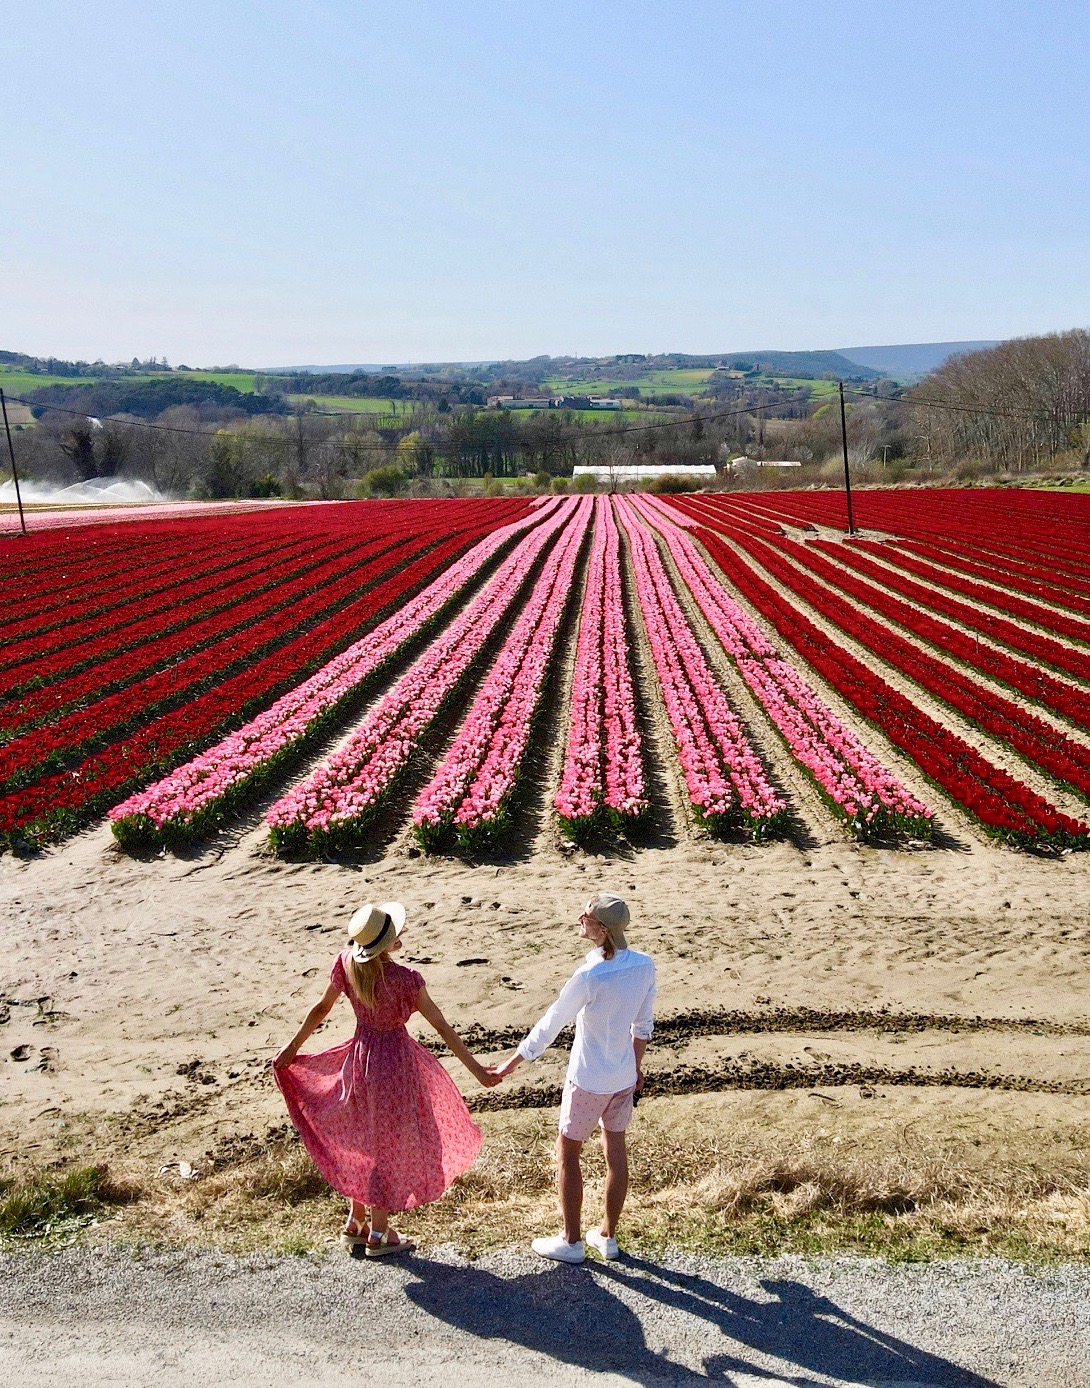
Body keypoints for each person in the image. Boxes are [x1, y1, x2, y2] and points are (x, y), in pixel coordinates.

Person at [273, 900, 496, 1257]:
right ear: (387, 943)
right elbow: (441, 1026)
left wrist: (293, 1045)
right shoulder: (405, 981)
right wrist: (478, 1071)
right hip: (394, 1065)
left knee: (363, 1136)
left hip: (358, 1057)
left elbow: (321, 1009)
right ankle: (379, 1233)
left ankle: (356, 1219)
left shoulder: (346, 965)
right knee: (387, 1145)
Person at [490, 891, 655, 1264]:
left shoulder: (589, 976)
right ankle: (608, 1237)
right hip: (622, 1077)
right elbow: (642, 1027)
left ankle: (571, 1240)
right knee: (616, 1151)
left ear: (602, 929)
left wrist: (509, 1064)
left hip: (588, 1079)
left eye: (587, 916)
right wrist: (635, 1067)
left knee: (568, 1153)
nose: (581, 918)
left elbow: (550, 1024)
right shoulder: (644, 966)